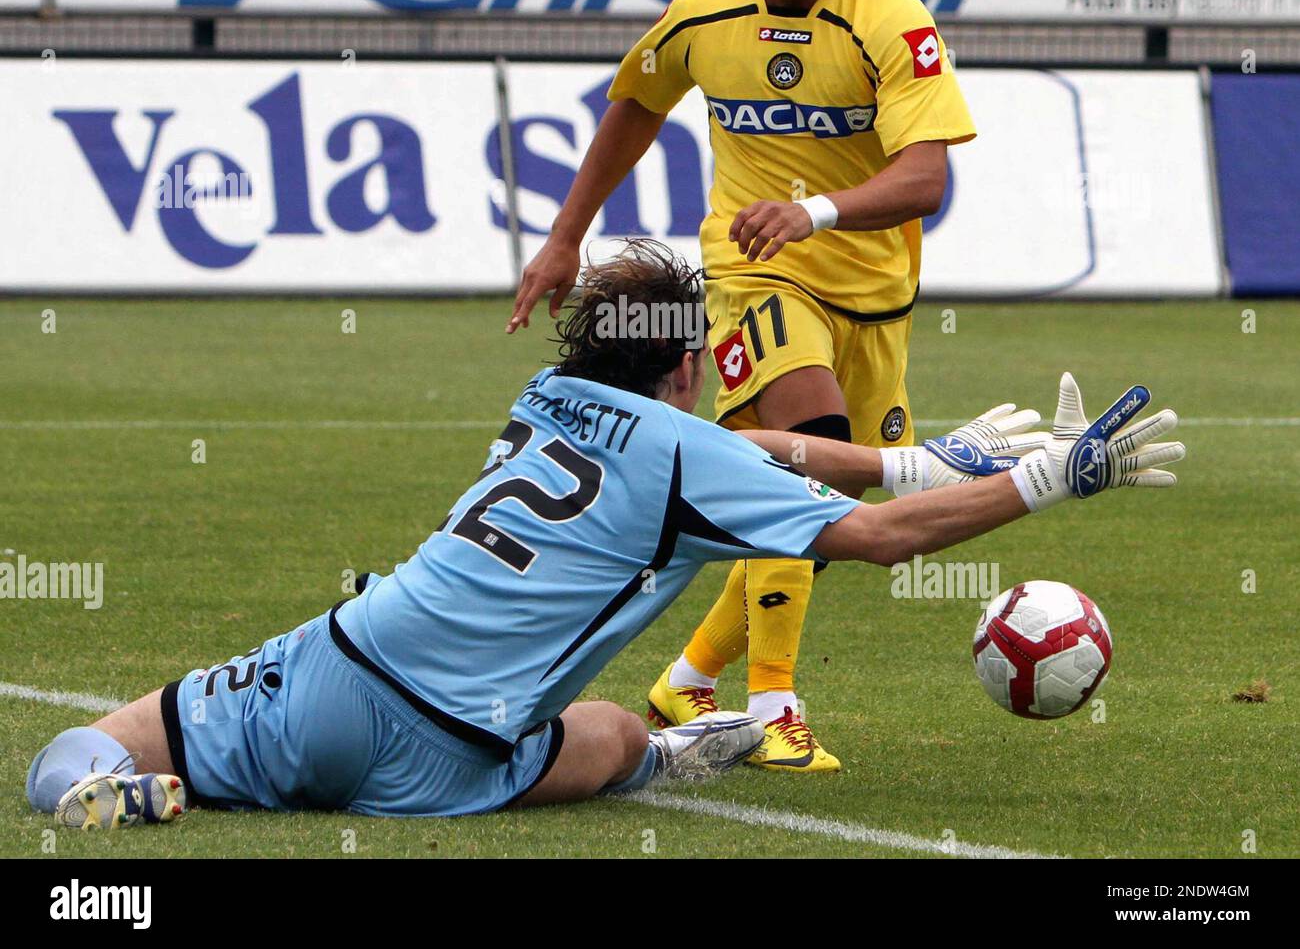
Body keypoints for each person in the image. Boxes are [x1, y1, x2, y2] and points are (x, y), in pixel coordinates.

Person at [27, 242, 1183, 828]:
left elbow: (787, 459)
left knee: (77, 749)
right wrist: (1042, 480)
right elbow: (877, 537)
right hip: (448, 750)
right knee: (608, 731)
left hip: (336, 662)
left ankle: (117, 800)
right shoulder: (689, 450)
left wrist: (933, 457)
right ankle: (663, 755)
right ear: (687, 365)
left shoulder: (546, 405)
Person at [507, 0, 977, 770]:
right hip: (754, 270)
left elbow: (927, 179)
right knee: (810, 459)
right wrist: (564, 237)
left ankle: (690, 676)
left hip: (873, 293)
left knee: (849, 501)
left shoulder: (891, 20)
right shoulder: (704, 12)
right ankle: (773, 705)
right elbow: (636, 104)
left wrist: (816, 211)